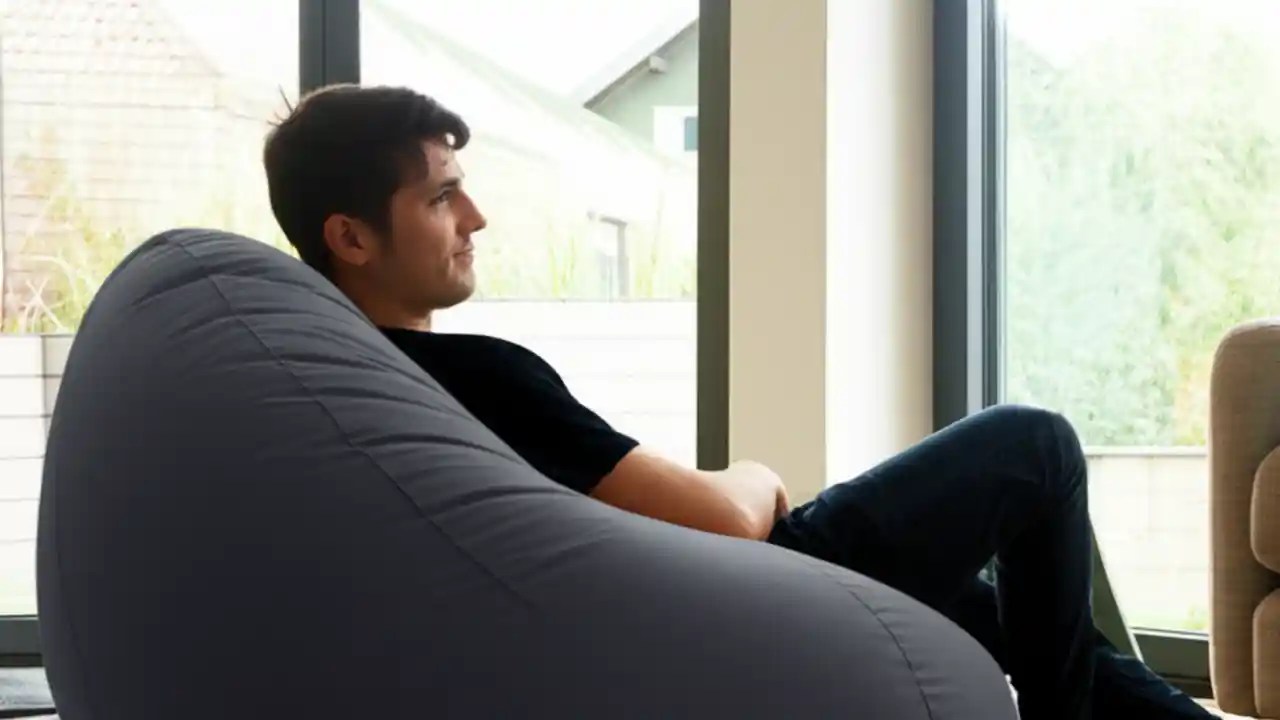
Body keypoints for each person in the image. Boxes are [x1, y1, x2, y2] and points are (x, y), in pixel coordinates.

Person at [262, 84, 1215, 720]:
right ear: (349, 235)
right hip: (744, 588)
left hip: (672, 597)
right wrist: (759, 473)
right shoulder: (479, 376)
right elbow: (723, 516)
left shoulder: (366, 384)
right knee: (1032, 445)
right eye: (442, 199)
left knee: (1004, 616)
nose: (476, 219)